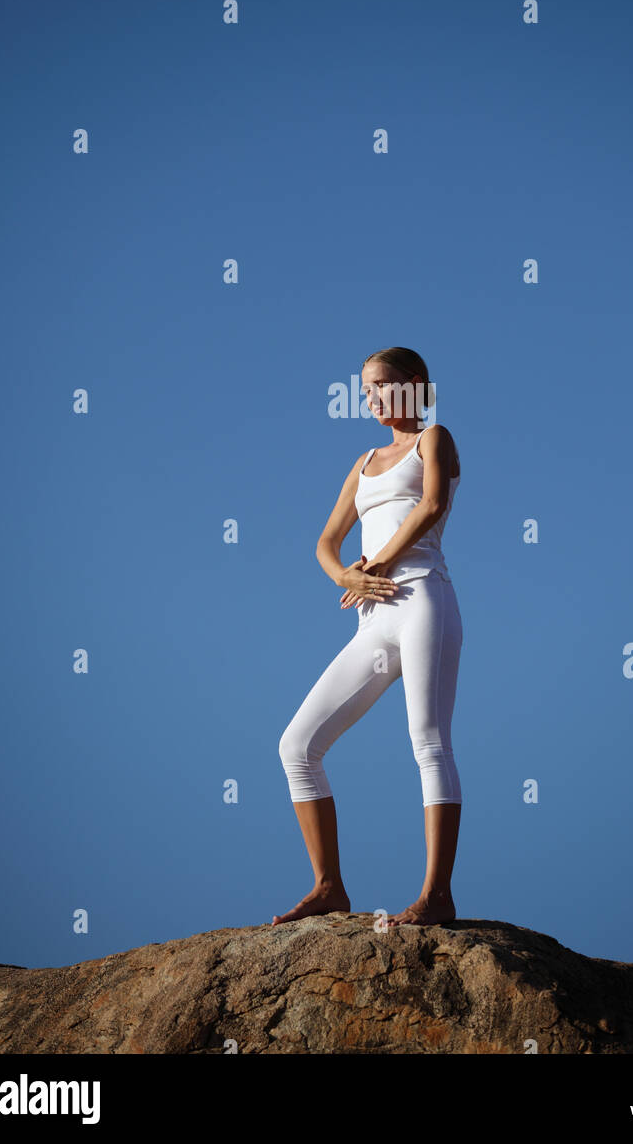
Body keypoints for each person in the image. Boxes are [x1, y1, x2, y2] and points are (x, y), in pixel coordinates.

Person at [274, 346, 463, 927]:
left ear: (412, 385)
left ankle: (436, 896)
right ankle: (328, 886)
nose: (370, 400)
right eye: (365, 391)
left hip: (422, 597)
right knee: (297, 748)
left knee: (427, 742)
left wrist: (378, 563)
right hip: (373, 619)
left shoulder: (435, 439)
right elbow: (325, 542)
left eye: (378, 388)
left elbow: (430, 505)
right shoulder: (364, 463)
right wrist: (346, 574)